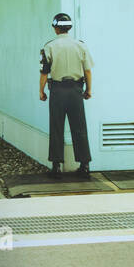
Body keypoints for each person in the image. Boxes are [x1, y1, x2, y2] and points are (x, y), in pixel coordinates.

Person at [39, 12, 94, 180]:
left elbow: (44, 72)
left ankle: (56, 167)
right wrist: (88, 90)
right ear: (69, 27)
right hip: (76, 90)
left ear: (56, 28)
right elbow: (87, 71)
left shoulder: (49, 46)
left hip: (57, 90)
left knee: (56, 127)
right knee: (79, 127)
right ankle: (84, 166)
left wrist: (41, 91)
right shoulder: (81, 45)